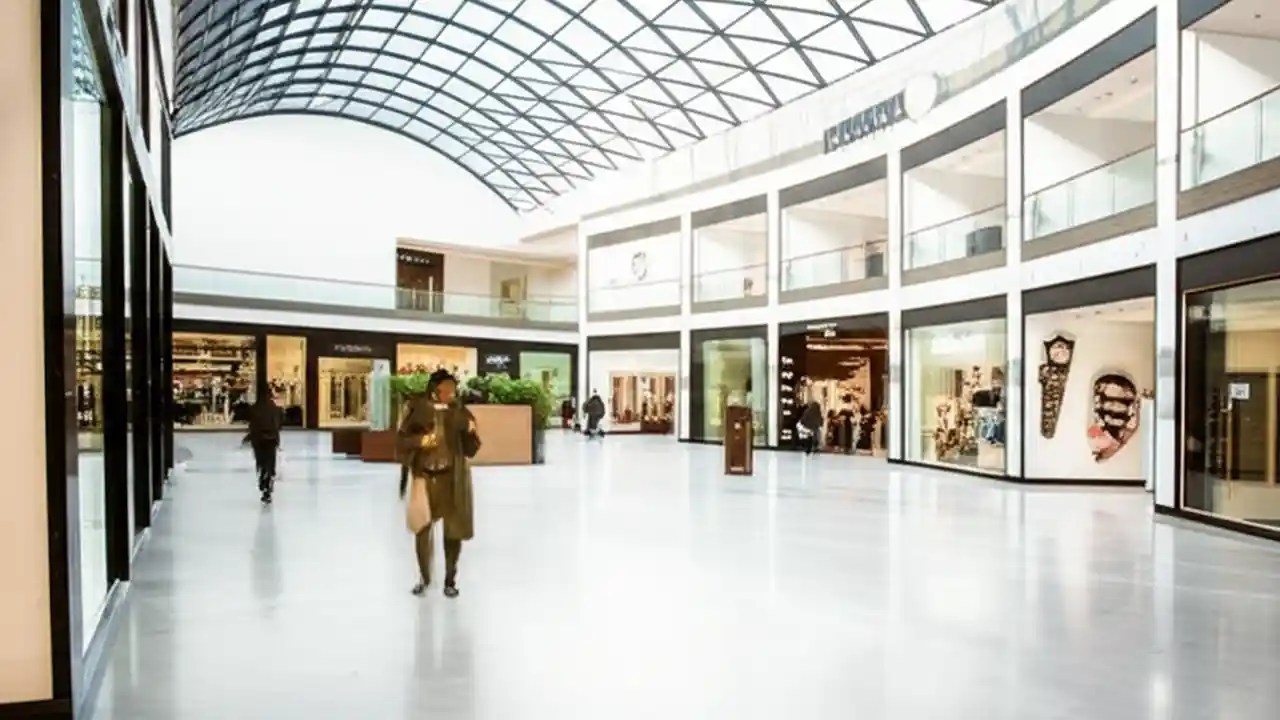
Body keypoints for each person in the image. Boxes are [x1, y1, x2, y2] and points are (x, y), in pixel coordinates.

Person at [397, 369, 479, 598]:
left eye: (454, 389)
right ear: (436, 389)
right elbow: (402, 440)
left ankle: (450, 580)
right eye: (447, 389)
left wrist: (471, 432)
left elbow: (471, 449)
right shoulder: (418, 409)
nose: (452, 393)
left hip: (453, 478)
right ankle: (424, 577)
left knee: (454, 531)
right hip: (425, 477)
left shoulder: (460, 412)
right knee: (422, 528)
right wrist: (421, 441)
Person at [246, 389, 283, 504]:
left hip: (258, 440)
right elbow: (279, 425)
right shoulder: (276, 410)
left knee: (261, 461)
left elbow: (250, 423)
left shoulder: (254, 409)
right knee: (270, 461)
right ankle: (268, 481)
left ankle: (263, 477)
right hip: (271, 440)